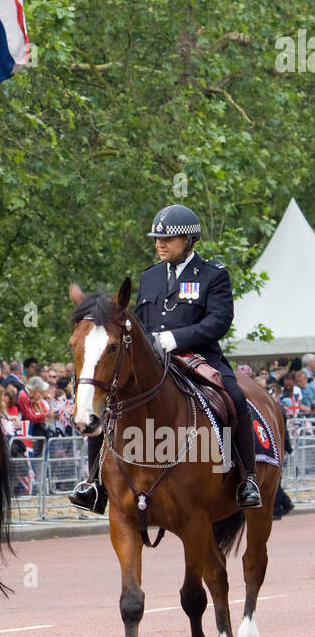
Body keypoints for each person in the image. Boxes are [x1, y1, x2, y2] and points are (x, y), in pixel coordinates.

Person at [70, 203, 262, 514]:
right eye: (157, 239)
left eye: (167, 239)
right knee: (110, 399)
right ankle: (93, 483)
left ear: (188, 241)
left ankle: (245, 478)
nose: (160, 244)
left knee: (236, 397)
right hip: (155, 359)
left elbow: (218, 321)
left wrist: (175, 338)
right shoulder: (151, 276)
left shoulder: (213, 274)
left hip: (201, 357)